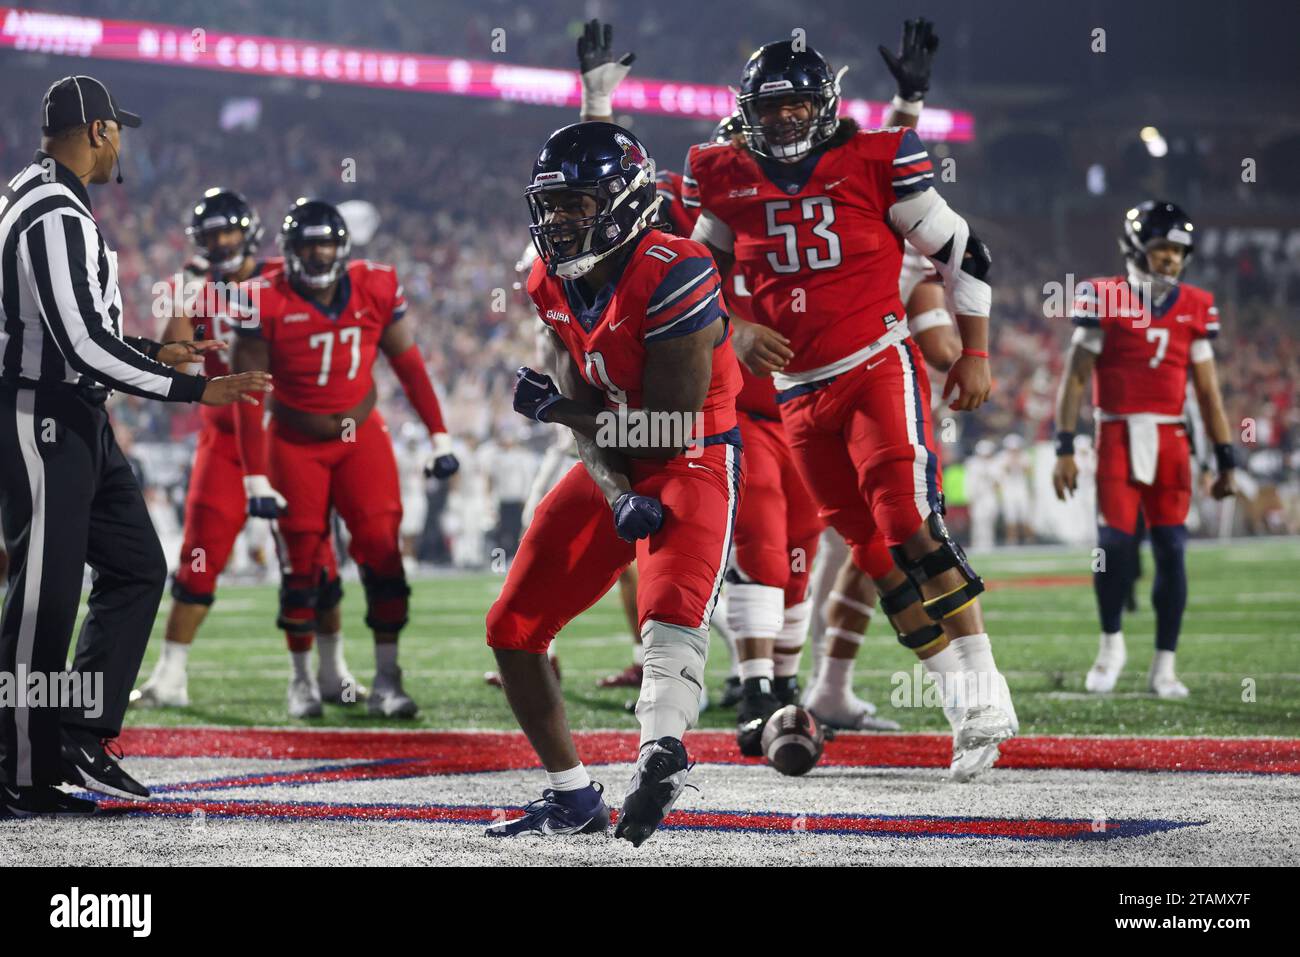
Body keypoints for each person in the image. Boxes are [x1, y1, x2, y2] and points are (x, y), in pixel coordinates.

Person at [686, 38, 1018, 780]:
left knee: (907, 520)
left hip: (873, 365)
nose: (784, 120)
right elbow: (689, 273)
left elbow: (965, 249)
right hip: (798, 395)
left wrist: (976, 352)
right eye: (770, 108)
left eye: (797, 104)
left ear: (825, 107)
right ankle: (960, 705)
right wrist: (734, 327)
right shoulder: (723, 174)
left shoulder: (876, 158)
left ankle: (984, 689)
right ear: (748, 114)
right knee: (873, 554)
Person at [0, 75, 268, 817]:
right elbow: (79, 344)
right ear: (97, 132)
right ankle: (18, 768)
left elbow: (76, 326)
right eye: (117, 129)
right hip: (43, 414)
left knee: (136, 566)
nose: (122, 143)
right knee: (42, 599)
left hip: (76, 414)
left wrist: (155, 351)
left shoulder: (43, 196)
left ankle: (74, 734)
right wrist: (190, 389)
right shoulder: (51, 209)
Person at [485, 122, 740, 845]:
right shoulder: (549, 277)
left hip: (692, 452)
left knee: (668, 614)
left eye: (577, 205)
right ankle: (572, 797)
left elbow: (667, 426)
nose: (559, 221)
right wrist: (613, 487)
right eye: (553, 205)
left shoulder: (676, 268)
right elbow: (591, 423)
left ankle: (661, 751)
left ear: (625, 201)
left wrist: (560, 408)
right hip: (615, 454)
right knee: (512, 627)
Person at [231, 199, 458, 718]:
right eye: (308, 245)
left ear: (343, 247)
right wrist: (255, 477)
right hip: (293, 441)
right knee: (301, 563)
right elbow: (247, 391)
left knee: (382, 549)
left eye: (326, 243)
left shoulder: (375, 286)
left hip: (362, 437)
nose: (318, 254)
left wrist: (439, 435)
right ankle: (303, 679)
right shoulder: (260, 298)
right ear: (288, 252)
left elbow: (409, 363)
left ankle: (387, 678)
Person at [132, 188, 356, 709]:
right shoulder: (195, 285)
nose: (223, 243)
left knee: (314, 557)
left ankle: (331, 671)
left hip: (286, 433)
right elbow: (179, 367)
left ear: (251, 233)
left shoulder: (289, 271)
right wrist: (185, 302)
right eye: (212, 237)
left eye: (229, 233)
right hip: (227, 436)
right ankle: (170, 676)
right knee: (200, 552)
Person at [1052, 200, 1236, 698]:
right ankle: (1111, 646)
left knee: (1173, 552)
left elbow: (1208, 391)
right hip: (1115, 434)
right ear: (1137, 247)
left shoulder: (1196, 304)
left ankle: (1164, 664)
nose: (1172, 258)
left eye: (1178, 250)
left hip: (1173, 439)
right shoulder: (1102, 296)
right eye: (1162, 248)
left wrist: (1224, 457)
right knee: (1111, 550)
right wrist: (1064, 445)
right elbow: (1074, 379)